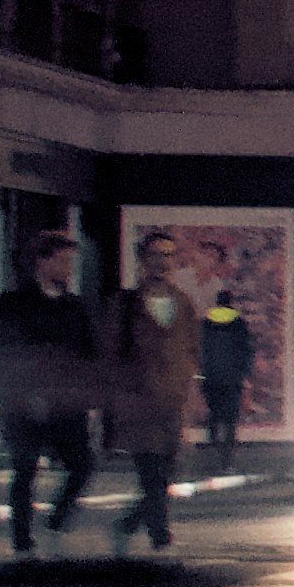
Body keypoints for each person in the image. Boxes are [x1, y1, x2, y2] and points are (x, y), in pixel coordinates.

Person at [0, 233, 96, 554]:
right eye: (62, 260)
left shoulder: (74, 307)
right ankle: (22, 540)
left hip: (65, 403)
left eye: (69, 261)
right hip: (24, 403)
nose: (67, 268)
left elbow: (86, 354)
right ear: (42, 261)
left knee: (82, 464)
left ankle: (57, 519)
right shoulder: (13, 305)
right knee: (25, 469)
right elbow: (7, 352)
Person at [102, 231, 201, 551]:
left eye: (169, 255)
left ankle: (128, 523)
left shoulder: (182, 302)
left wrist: (191, 387)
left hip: (171, 402)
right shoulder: (127, 304)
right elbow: (113, 351)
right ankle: (160, 536)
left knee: (168, 471)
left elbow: (191, 348)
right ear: (143, 259)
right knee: (150, 471)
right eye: (157, 254)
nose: (164, 262)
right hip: (140, 401)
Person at [198, 288, 254, 454]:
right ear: (230, 302)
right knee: (230, 415)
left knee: (214, 410)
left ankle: (213, 442)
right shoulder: (239, 324)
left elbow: (201, 349)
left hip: (211, 375)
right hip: (232, 377)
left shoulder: (206, 323)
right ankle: (228, 449)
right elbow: (246, 350)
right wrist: (244, 372)